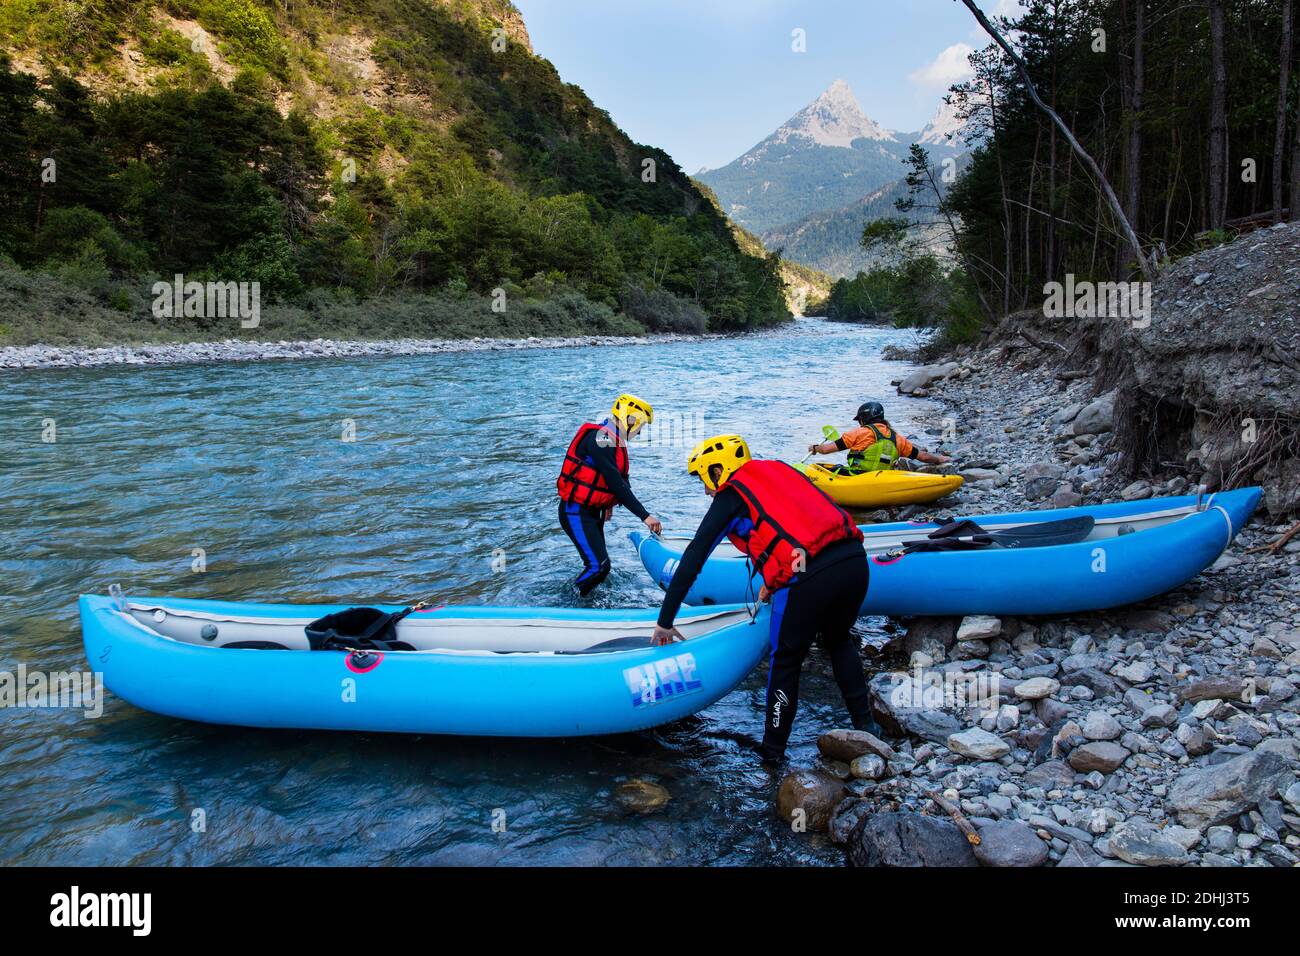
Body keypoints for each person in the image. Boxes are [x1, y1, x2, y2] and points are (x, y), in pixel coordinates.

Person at [651, 434, 879, 762]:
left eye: (704, 479)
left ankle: (772, 755)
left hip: (810, 579)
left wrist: (665, 621)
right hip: (854, 562)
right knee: (838, 640)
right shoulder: (779, 470)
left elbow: (692, 561)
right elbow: (799, 525)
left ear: (718, 470)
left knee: (785, 661)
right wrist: (774, 581)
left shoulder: (731, 495)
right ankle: (867, 727)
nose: (705, 490)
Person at [556, 393, 662, 595]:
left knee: (600, 567)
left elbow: (615, 478)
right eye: (640, 426)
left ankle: (582, 599)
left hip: (591, 511)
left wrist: (607, 505)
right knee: (599, 566)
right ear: (630, 419)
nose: (639, 433)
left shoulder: (612, 439)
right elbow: (615, 482)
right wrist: (645, 516)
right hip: (575, 512)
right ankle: (568, 603)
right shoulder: (601, 439)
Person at [808, 402, 951, 474]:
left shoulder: (859, 433)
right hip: (882, 478)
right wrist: (939, 459)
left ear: (863, 419)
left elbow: (826, 450)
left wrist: (815, 448)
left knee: (817, 468)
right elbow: (924, 457)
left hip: (858, 476)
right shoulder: (897, 438)